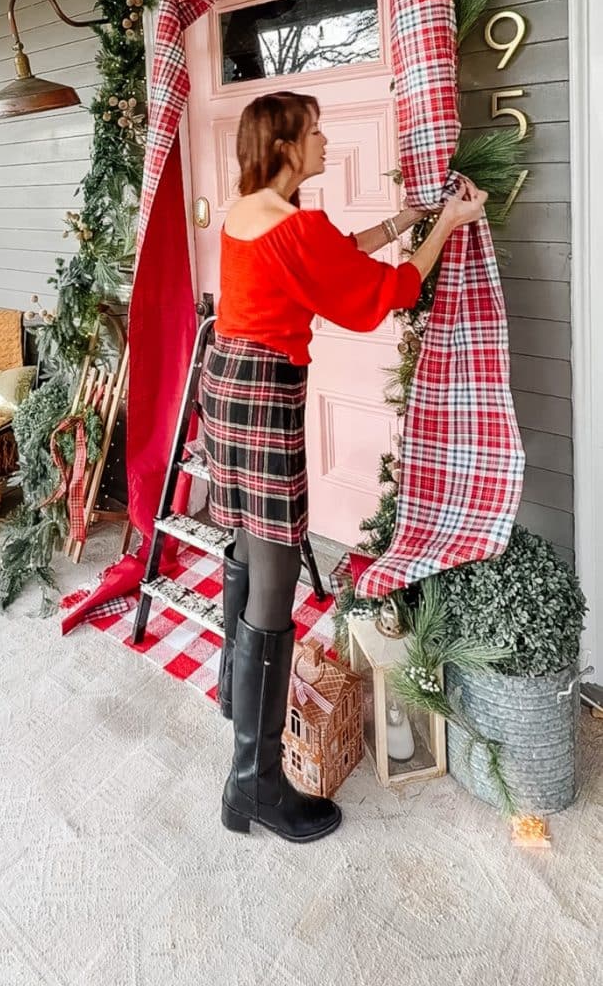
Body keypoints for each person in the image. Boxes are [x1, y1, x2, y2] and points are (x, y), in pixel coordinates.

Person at [202, 90, 487, 843]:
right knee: (276, 582)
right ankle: (252, 787)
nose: (327, 143)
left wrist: (406, 222)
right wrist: (449, 227)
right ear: (287, 145)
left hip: (226, 381)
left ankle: (236, 698)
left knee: (243, 546)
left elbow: (335, 252)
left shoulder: (250, 212)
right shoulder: (295, 228)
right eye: (316, 133)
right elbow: (386, 293)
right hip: (264, 394)